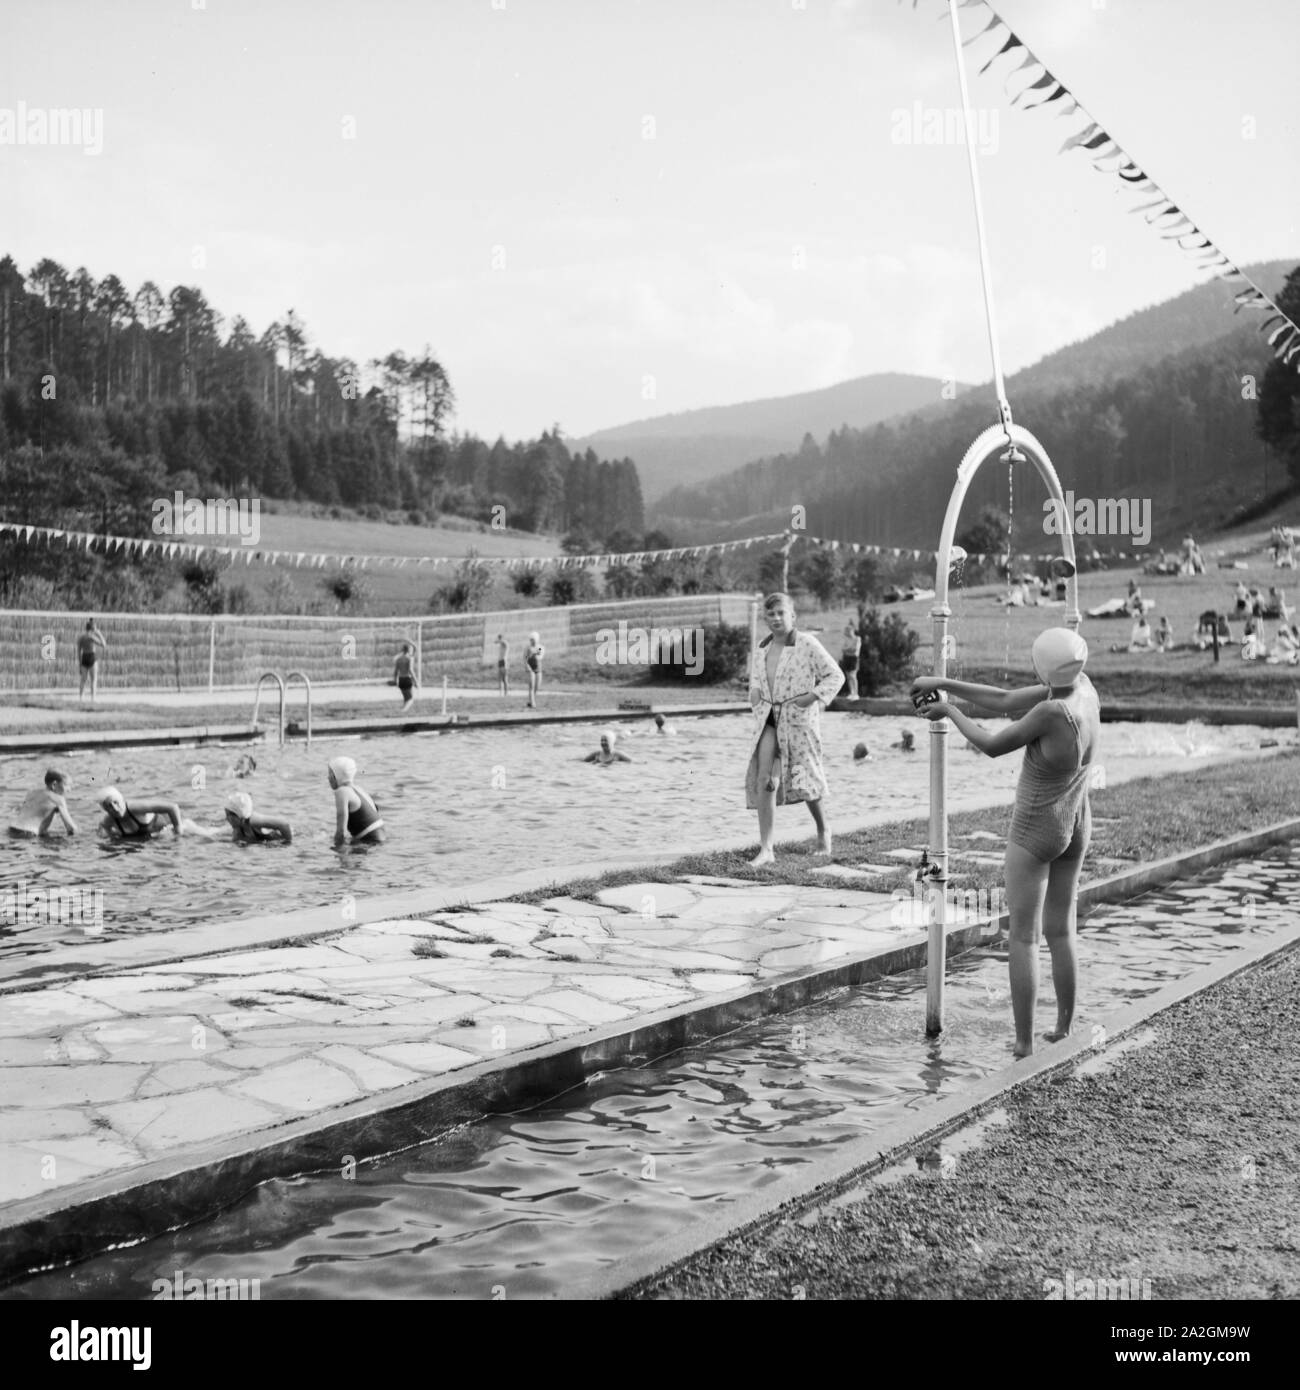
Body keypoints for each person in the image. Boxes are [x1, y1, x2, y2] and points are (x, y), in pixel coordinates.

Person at [911, 627, 1100, 1059]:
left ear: (1041, 667)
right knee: (1061, 928)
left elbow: (993, 744)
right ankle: (1063, 1028)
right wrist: (943, 684)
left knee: (1023, 937)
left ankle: (1024, 1043)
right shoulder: (1084, 690)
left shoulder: (1052, 711)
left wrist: (949, 713)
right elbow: (1004, 699)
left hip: (1038, 826)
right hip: (1076, 819)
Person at [746, 592, 844, 866]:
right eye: (771, 615)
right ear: (765, 619)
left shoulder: (807, 644)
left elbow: (835, 675)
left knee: (806, 778)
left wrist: (813, 697)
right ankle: (767, 849)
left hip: (799, 720)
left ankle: (824, 830)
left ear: (792, 616)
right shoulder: (762, 648)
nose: (776, 618)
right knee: (765, 777)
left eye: (781, 613)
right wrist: (754, 694)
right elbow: (755, 680)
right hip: (769, 717)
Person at [98, 787, 214, 839]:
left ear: (122, 800)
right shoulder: (107, 821)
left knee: (212, 836)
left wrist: (179, 833)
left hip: (178, 827)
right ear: (105, 810)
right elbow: (105, 836)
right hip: (157, 837)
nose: (114, 808)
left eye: (116, 802)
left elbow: (172, 807)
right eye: (109, 806)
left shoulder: (135, 807)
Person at [328, 756, 385, 846]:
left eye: (330, 773)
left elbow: (340, 831)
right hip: (380, 838)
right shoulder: (358, 789)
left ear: (337, 775)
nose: (328, 777)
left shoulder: (342, 791)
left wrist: (336, 850)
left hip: (370, 842)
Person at [9, 768, 77, 836]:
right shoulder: (58, 799)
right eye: (66, 785)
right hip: (28, 834)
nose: (69, 790)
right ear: (54, 784)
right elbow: (70, 828)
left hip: (12, 829)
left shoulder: (32, 793)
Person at [223, 791, 293, 843]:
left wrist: (287, 842)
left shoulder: (254, 820)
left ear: (238, 816)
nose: (226, 819)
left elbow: (284, 825)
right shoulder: (237, 829)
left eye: (228, 816)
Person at [76, 618, 108, 702]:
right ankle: (93, 698)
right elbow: (104, 644)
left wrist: (80, 663)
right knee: (93, 680)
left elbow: (78, 651)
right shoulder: (91, 637)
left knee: (83, 679)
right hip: (91, 657)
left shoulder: (81, 637)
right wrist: (99, 633)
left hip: (84, 657)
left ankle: (81, 698)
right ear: (92, 629)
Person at [392, 642, 419, 711]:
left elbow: (395, 672)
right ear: (409, 650)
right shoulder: (409, 658)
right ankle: (403, 711)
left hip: (401, 679)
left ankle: (402, 712)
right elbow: (410, 670)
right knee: (410, 700)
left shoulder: (398, 659)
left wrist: (395, 681)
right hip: (407, 679)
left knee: (406, 699)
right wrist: (416, 681)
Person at [840, 618, 861, 699]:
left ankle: (856, 693)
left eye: (848, 631)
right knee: (848, 676)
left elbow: (855, 650)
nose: (847, 633)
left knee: (853, 675)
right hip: (847, 658)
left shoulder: (857, 639)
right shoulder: (846, 639)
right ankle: (851, 692)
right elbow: (843, 650)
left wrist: (848, 649)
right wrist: (849, 649)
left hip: (854, 659)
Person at [524, 632, 544, 709]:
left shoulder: (540, 647)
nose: (532, 641)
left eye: (533, 639)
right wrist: (526, 666)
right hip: (530, 668)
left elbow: (540, 656)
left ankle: (530, 701)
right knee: (531, 686)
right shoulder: (528, 648)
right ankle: (533, 703)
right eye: (531, 640)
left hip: (538, 668)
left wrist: (534, 653)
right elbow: (525, 658)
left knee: (537, 686)